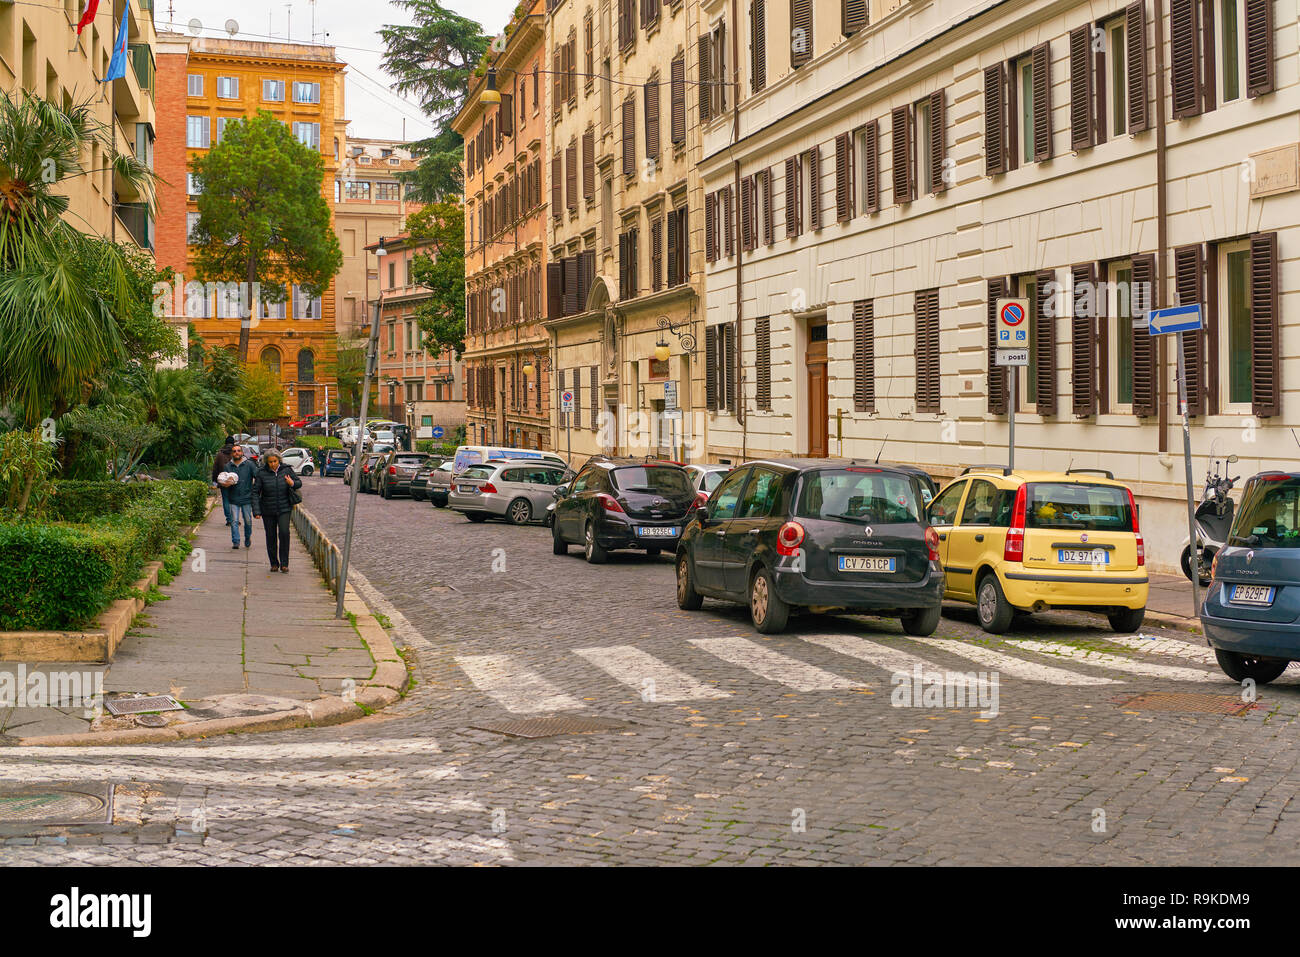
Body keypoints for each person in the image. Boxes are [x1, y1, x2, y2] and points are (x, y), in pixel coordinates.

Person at [252, 449, 302, 573]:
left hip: (284, 508)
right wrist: (256, 511)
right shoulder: (261, 473)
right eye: (270, 462)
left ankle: (284, 564)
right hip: (268, 509)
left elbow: (298, 483)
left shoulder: (287, 470)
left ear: (279, 460)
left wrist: (292, 483)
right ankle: (274, 563)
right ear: (266, 462)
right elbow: (255, 493)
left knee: (284, 533)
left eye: (275, 461)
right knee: (271, 536)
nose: (273, 464)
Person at [226, 444, 257, 549]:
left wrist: (255, 490)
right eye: (234, 451)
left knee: (248, 521)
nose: (236, 453)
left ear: (242, 452)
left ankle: (247, 537)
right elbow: (222, 480)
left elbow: (258, 477)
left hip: (247, 498)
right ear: (231, 454)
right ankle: (236, 541)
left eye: (238, 451)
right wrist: (225, 484)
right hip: (233, 498)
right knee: (234, 521)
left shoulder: (249, 465)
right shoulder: (228, 466)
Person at [212, 439, 234, 526]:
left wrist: (214, 480)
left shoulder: (220, 454)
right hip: (233, 481)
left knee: (225, 500)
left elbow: (215, 468)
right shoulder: (235, 452)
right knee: (234, 500)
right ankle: (234, 518)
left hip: (223, 481)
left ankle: (229, 519)